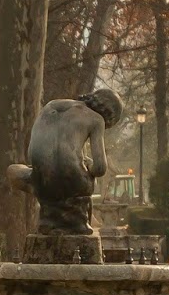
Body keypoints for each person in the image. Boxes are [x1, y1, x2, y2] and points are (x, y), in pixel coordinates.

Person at [8, 88, 124, 235]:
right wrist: (89, 166)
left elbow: (34, 152)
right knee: (90, 179)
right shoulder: (96, 119)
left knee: (14, 170)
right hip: (75, 185)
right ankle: (78, 222)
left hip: (42, 184)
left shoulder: (50, 105)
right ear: (109, 115)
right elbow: (100, 168)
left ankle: (49, 220)